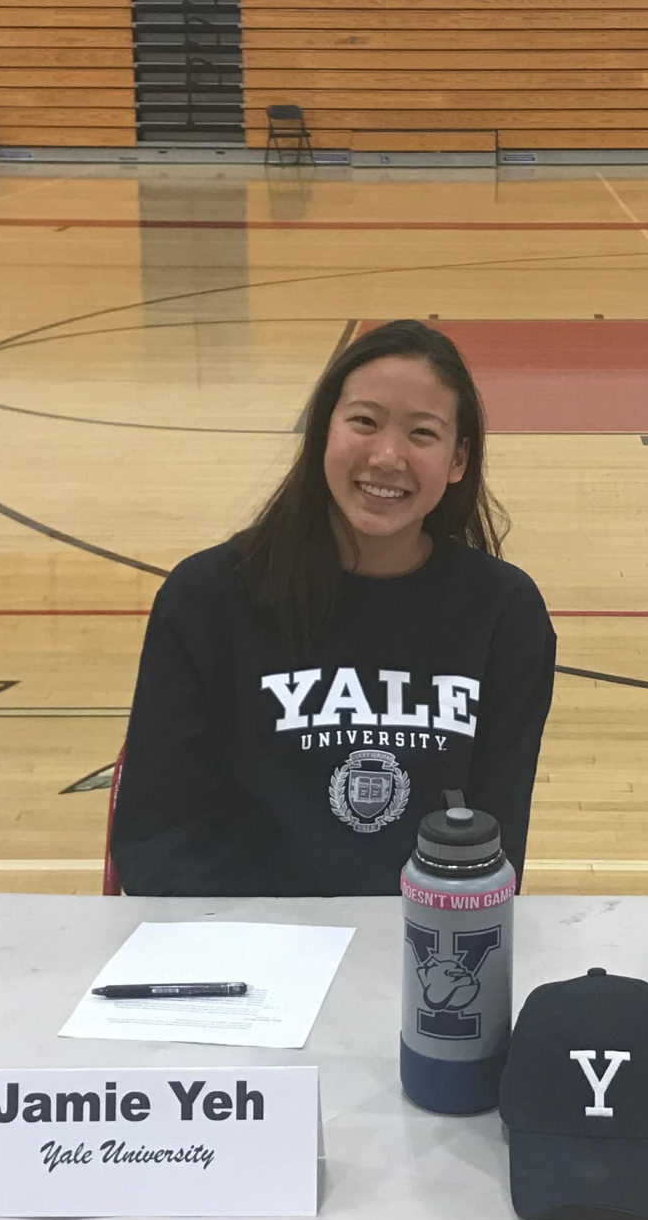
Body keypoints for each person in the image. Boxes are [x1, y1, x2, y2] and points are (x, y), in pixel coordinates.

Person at [111, 320, 556, 895]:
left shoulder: (504, 613)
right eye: (364, 422)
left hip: (419, 948)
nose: (388, 456)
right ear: (323, 430)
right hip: (240, 947)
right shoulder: (207, 598)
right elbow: (155, 837)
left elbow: (493, 848)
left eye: (423, 433)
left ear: (457, 460)